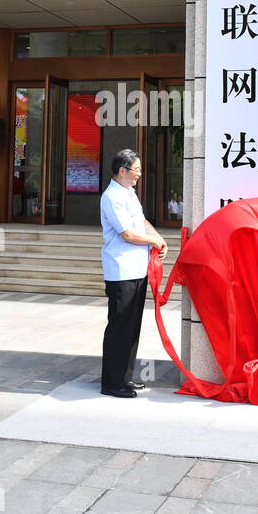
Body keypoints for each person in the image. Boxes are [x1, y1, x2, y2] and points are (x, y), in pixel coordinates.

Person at [98, 149, 166, 398]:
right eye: (136, 170)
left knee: (132, 327)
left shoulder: (128, 193)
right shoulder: (112, 197)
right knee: (119, 327)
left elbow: (141, 221)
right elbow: (127, 233)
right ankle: (112, 383)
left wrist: (157, 238)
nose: (139, 175)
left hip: (137, 269)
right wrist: (152, 241)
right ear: (122, 171)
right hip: (121, 271)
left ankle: (124, 378)